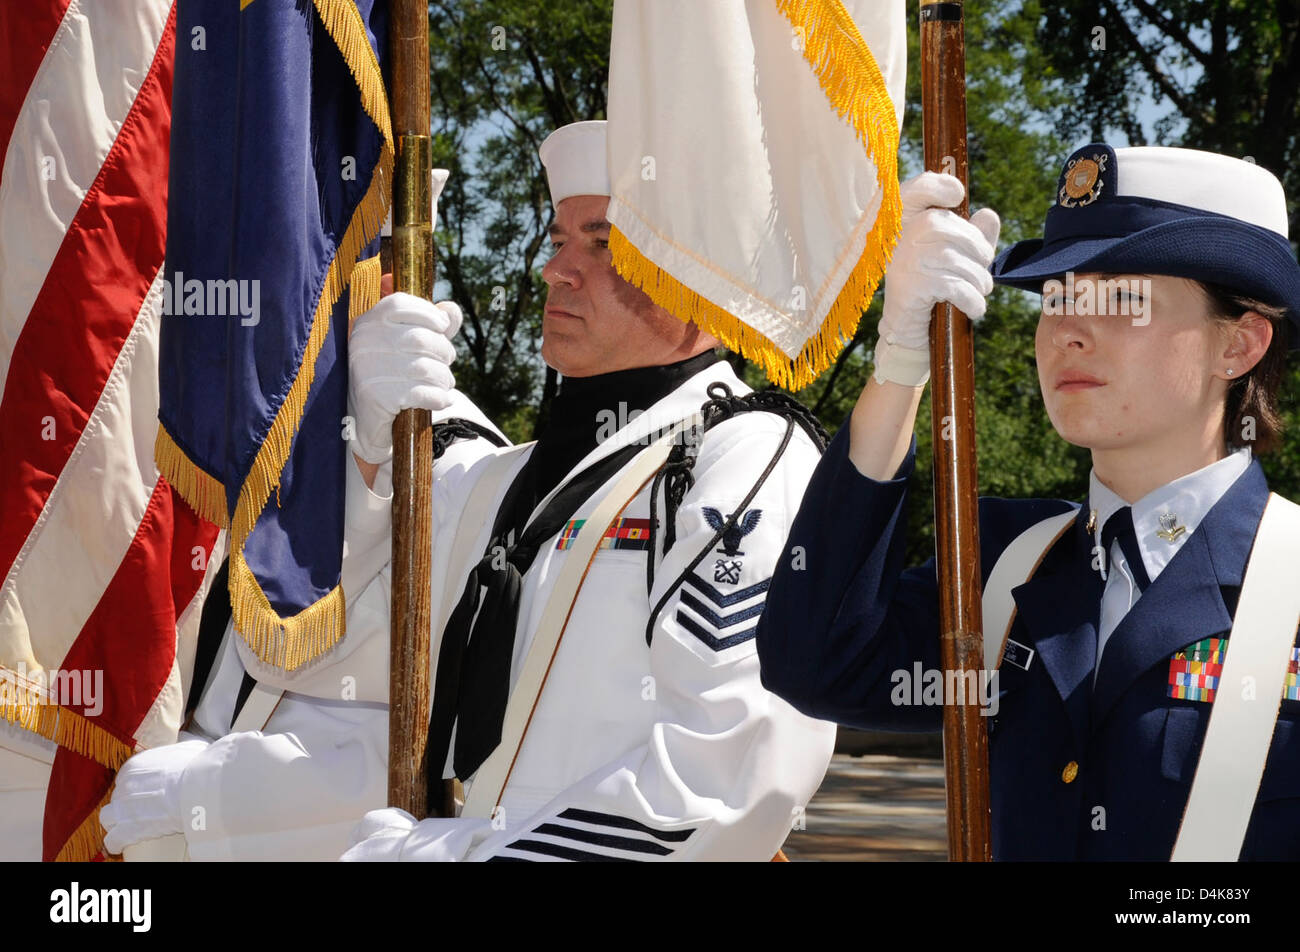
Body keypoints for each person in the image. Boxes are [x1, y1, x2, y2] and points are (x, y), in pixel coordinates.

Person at [101, 120, 836, 862]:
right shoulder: (504, 481)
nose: (557, 270)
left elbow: (730, 784)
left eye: (603, 242)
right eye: (557, 241)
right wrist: (365, 445)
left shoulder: (751, 453)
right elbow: (309, 648)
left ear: (696, 268)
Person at [755, 143, 1300, 861]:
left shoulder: (1287, 579)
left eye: (1121, 299)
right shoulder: (1006, 565)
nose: (1069, 329)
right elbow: (815, 660)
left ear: (1239, 346)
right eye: (1059, 298)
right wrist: (899, 364)